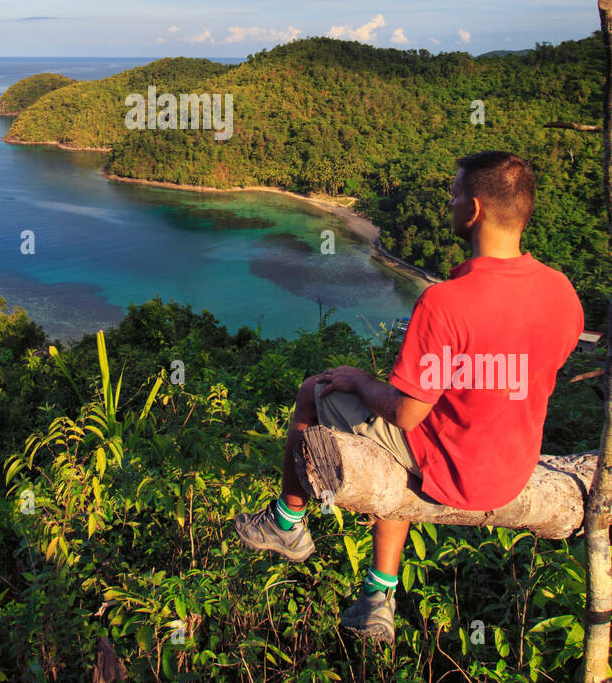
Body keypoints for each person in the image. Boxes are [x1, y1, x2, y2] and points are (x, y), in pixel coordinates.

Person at [233, 151, 585, 644]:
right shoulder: (561, 292)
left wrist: (359, 380)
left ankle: (286, 523)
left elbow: (404, 413)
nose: (450, 203)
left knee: (314, 389)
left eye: (455, 194)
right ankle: (377, 598)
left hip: (456, 474)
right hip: (512, 470)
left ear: (475, 209)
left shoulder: (446, 302)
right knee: (398, 438)